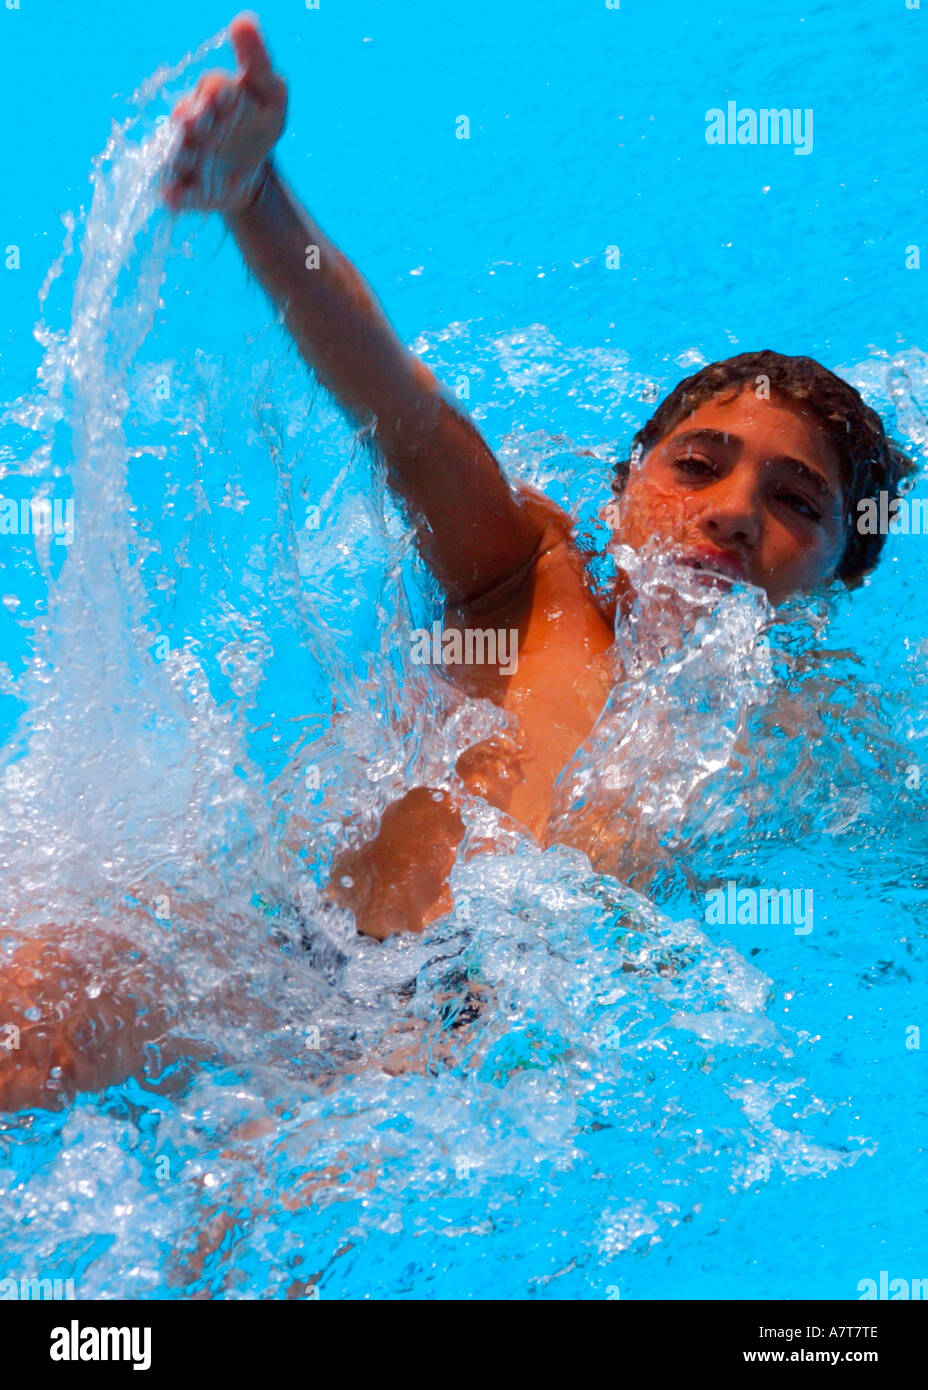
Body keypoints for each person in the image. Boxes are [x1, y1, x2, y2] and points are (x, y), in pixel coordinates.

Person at [0, 12, 913, 1111]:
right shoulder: (526, 575)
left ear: (840, 570)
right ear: (622, 488)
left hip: (465, 1054)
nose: (728, 513)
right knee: (32, 1008)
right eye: (696, 465)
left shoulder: (812, 732)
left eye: (795, 501)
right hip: (285, 954)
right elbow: (405, 410)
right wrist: (255, 199)